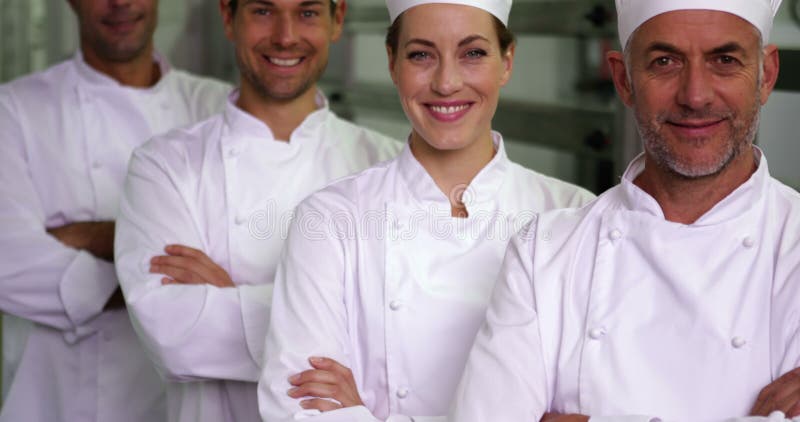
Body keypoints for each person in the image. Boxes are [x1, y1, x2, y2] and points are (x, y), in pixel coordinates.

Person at [450, 0, 800, 421]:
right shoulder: (544, 252)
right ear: (623, 79)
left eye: (724, 60)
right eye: (665, 61)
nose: (695, 95)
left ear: (767, 75)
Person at [257, 0, 595, 420]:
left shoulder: (576, 217)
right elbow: (298, 409)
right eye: (421, 55)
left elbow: (594, 399)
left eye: (472, 53)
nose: (447, 83)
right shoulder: (330, 219)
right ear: (392, 64)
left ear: (506, 62)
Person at [113, 0, 402, 421]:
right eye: (264, 11)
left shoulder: (386, 167)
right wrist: (341, 308)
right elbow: (171, 335)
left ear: (337, 20)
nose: (285, 36)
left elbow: (402, 333)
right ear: (228, 18)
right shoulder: (165, 166)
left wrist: (228, 297)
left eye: (307, 12)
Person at [0, 1, 232, 421]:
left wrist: (90, 238)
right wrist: (167, 282)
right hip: (54, 403)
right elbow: (7, 261)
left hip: (179, 407)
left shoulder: (216, 107)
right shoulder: (14, 109)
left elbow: (242, 249)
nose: (121, 2)